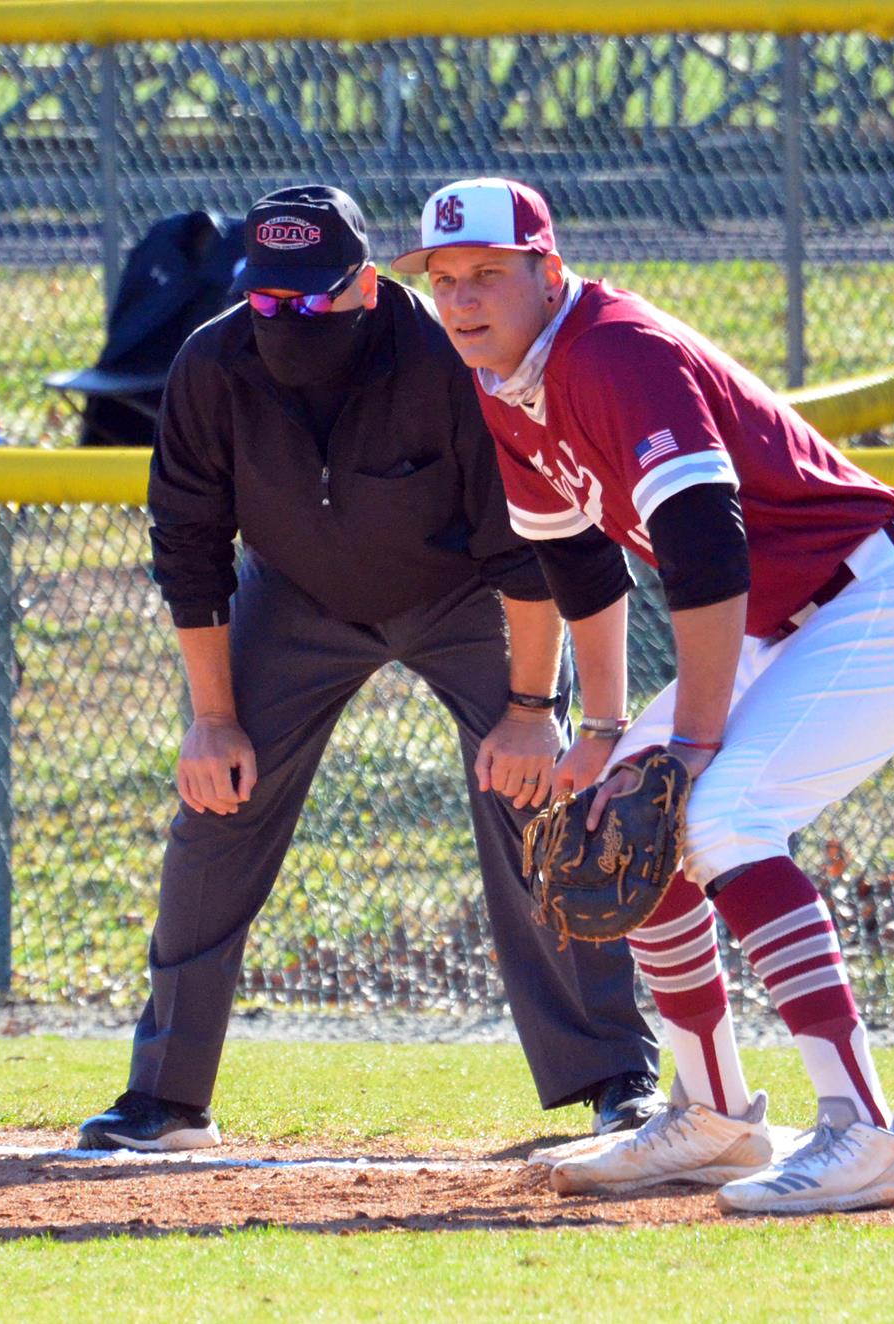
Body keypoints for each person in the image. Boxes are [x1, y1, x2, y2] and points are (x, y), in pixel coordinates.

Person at [395, 178, 894, 1214]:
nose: (461, 299)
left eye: (488, 273)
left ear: (547, 268)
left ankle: (862, 1131)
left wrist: (696, 741)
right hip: (786, 622)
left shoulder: (614, 352)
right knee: (623, 807)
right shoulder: (504, 386)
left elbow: (706, 553)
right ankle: (713, 1117)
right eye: (443, 280)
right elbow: (577, 570)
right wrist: (604, 733)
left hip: (886, 598)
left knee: (716, 812)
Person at [79, 185, 662, 1152]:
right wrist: (212, 719)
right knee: (217, 804)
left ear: (363, 286)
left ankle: (615, 1079)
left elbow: (527, 551)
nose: (287, 319)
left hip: (468, 593)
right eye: (268, 300)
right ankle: (167, 1099)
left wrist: (528, 709)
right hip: (297, 595)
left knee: (542, 789)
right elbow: (187, 549)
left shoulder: (446, 358)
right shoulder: (212, 362)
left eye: (312, 301)